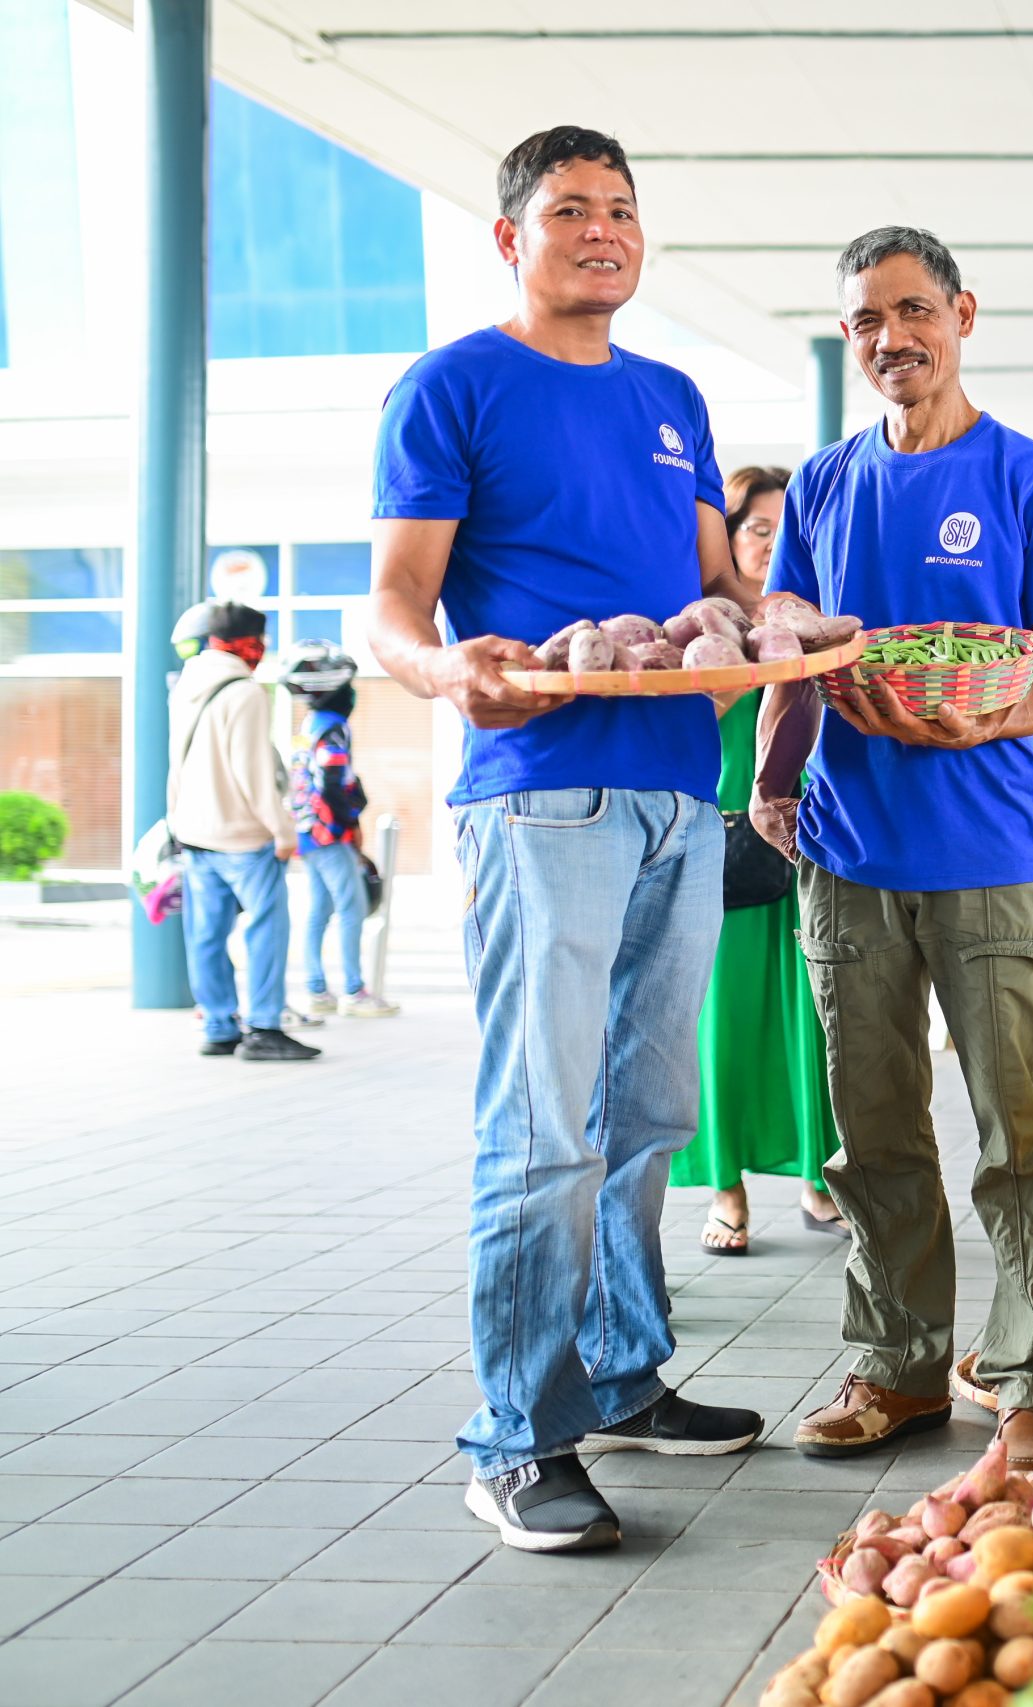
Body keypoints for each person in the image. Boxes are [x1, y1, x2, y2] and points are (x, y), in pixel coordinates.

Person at [368, 126, 767, 1553]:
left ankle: (620, 1371)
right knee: (545, 1129)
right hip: (541, 791)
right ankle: (517, 1439)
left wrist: (775, 630)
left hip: (678, 792)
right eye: (569, 210)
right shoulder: (452, 386)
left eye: (621, 209)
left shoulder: (670, 397)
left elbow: (715, 585)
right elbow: (395, 601)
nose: (603, 230)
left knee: (647, 1116)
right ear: (511, 237)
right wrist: (443, 672)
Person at [747, 226, 1033, 1477]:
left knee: (1018, 1133)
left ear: (962, 314)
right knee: (872, 1131)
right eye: (866, 320)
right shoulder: (822, 483)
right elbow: (794, 652)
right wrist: (772, 778)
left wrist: (981, 720)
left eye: (913, 311)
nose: (891, 338)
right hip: (848, 851)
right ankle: (898, 1365)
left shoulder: (1032, 477)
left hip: (996, 852)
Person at [674, 465, 846, 1256]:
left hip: (804, 839)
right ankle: (727, 1189)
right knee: (724, 1020)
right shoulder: (700, 626)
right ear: (728, 535)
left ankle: (818, 1179)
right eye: (758, 528)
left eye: (787, 529)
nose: (773, 544)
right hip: (724, 843)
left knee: (814, 1019)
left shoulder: (813, 624)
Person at [169, 601, 319, 1063]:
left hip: (194, 833)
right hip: (243, 836)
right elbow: (252, 773)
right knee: (266, 929)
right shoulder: (245, 692)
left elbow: (177, 764)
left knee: (206, 935)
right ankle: (264, 1027)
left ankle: (218, 1026)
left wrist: (176, 819)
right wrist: (283, 829)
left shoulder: (186, 686)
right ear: (249, 643)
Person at [278, 640, 398, 1018]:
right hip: (329, 833)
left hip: (307, 831)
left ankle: (317, 989)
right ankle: (353, 991)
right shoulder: (333, 728)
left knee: (320, 908)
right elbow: (331, 782)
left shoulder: (310, 725)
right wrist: (351, 822)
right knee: (352, 907)